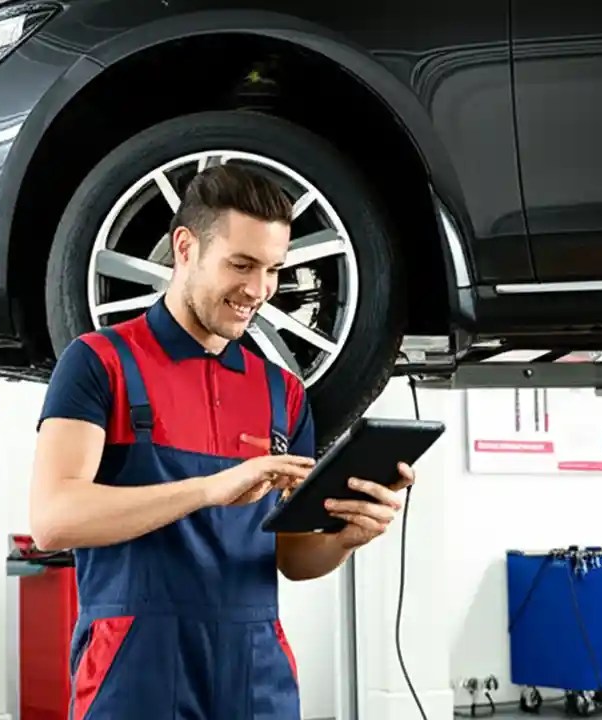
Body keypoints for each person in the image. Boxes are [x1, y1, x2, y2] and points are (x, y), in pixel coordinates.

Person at [30, 163, 416, 719]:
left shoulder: (282, 392)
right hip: (135, 665)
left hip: (255, 665)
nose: (258, 291)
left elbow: (290, 557)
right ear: (185, 248)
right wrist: (209, 490)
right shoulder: (99, 362)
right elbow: (53, 520)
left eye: (273, 270)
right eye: (241, 264)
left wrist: (346, 536)